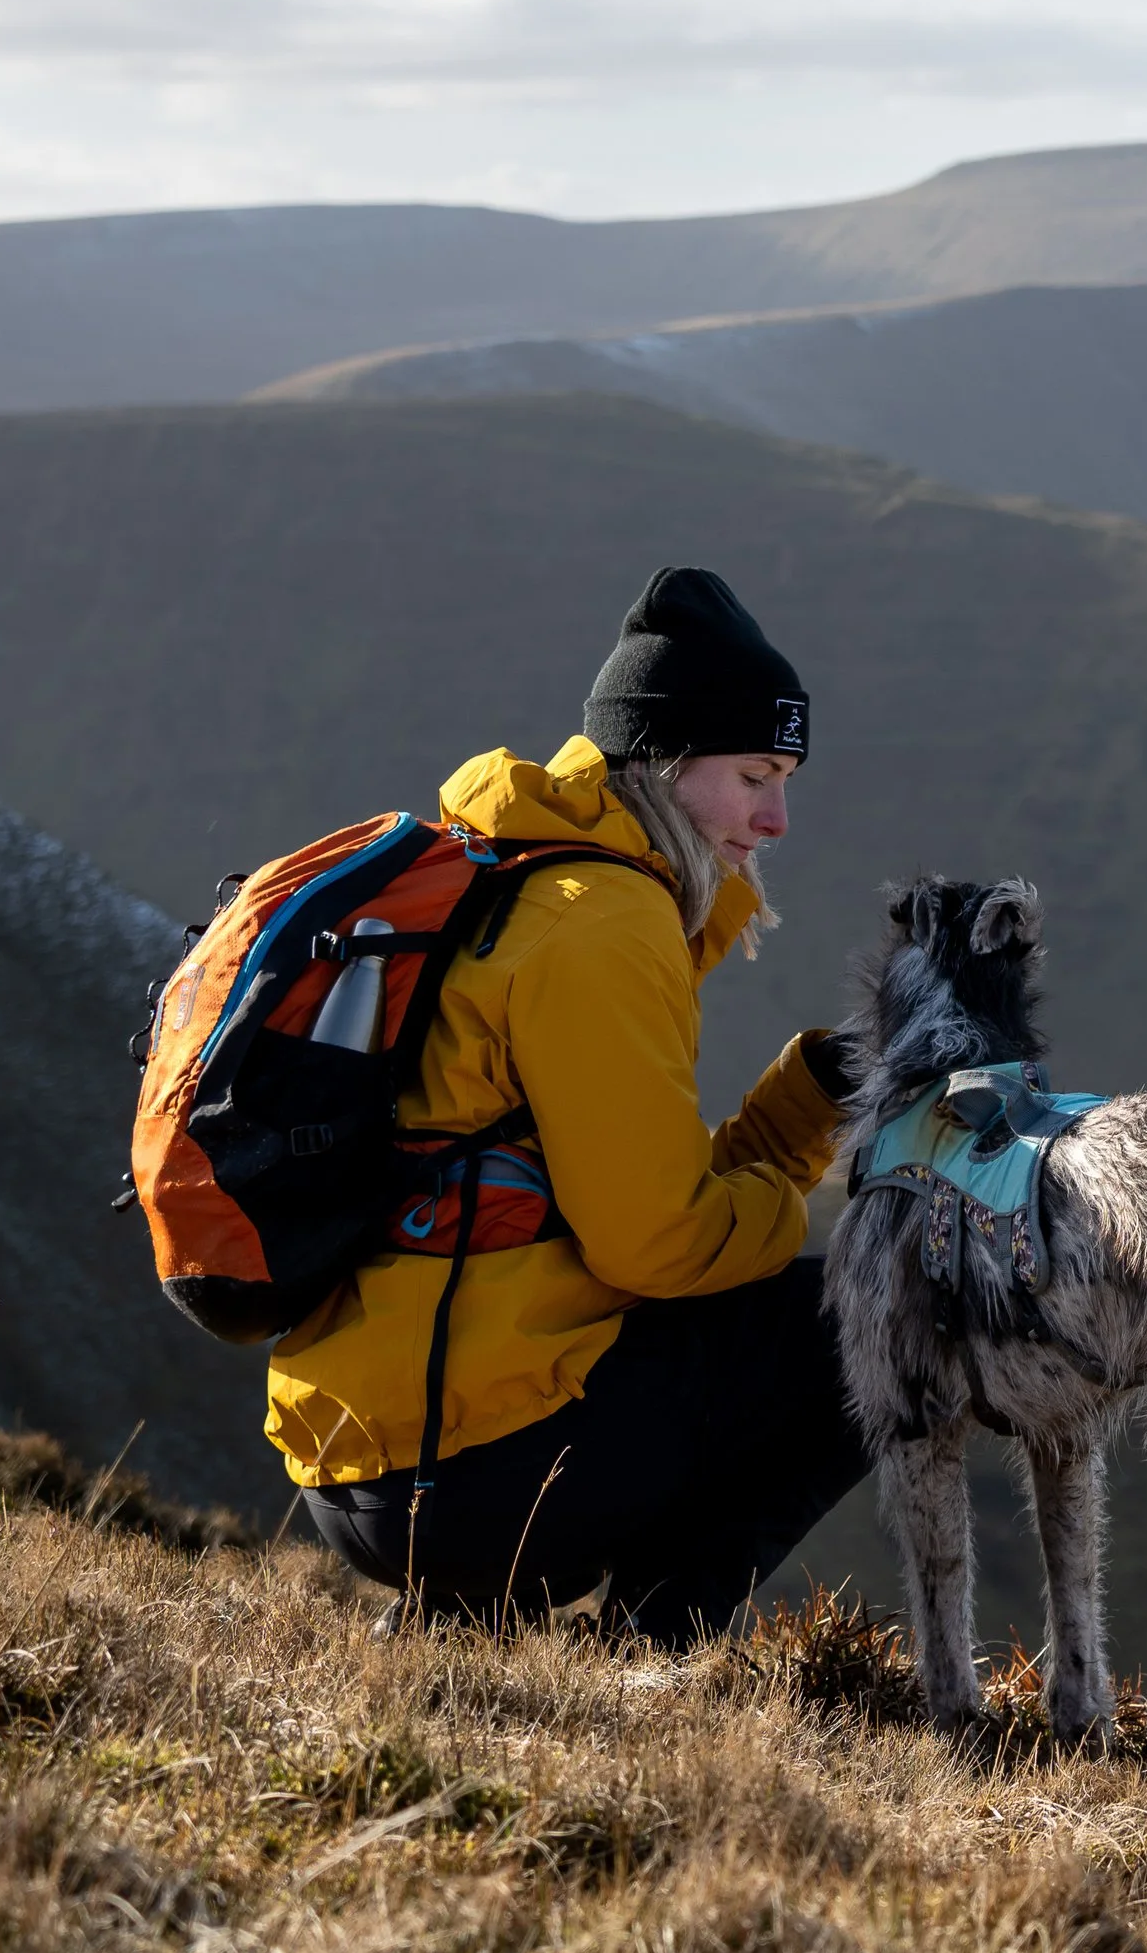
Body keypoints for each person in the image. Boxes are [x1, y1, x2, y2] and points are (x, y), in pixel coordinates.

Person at [276, 563, 871, 1642]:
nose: (777, 818)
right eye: (755, 774)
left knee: (753, 1305)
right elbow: (657, 1247)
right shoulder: (602, 925)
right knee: (873, 1315)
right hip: (464, 1481)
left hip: (368, 1459)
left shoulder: (516, 872)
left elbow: (607, 1198)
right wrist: (810, 1215)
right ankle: (651, 1644)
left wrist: (798, 1107)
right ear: (669, 757)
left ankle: (464, 1619)